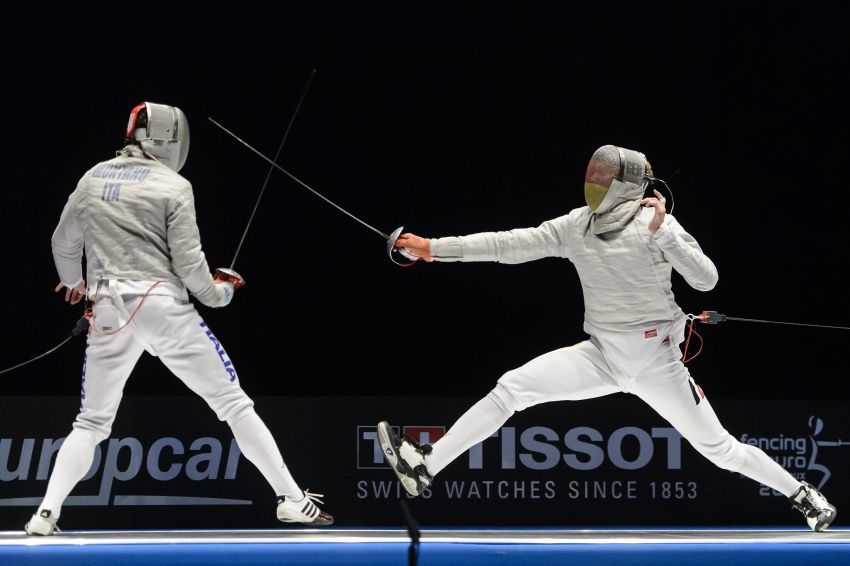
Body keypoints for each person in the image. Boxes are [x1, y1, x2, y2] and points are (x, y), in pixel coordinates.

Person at [377, 144, 837, 532]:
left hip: (658, 362)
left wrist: (665, 236)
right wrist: (433, 249)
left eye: (602, 176)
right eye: (590, 174)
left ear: (627, 182)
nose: (591, 182)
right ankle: (425, 466)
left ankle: (802, 494)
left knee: (719, 449)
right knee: (513, 387)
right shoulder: (576, 226)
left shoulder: (657, 225)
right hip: (601, 356)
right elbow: (507, 245)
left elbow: (707, 280)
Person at [25, 102, 332, 535]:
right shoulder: (173, 184)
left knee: (91, 422)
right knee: (231, 403)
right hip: (160, 305)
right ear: (172, 138)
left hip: (109, 310)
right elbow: (190, 267)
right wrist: (220, 294)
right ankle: (292, 500)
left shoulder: (92, 177)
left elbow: (63, 240)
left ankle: (45, 513)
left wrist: (73, 281)